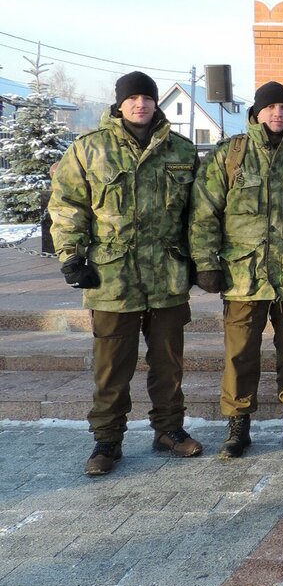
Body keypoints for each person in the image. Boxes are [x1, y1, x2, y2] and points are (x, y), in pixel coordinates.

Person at [49, 71, 203, 476]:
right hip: (112, 279)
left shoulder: (181, 151)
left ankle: (169, 430)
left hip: (167, 277)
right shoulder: (90, 150)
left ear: (156, 103)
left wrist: (202, 261)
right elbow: (67, 205)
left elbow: (198, 216)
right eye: (132, 98)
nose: (140, 104)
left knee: (168, 362)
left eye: (147, 98)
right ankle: (107, 441)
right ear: (119, 104)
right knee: (112, 365)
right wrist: (71, 257)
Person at [190, 81, 283, 459]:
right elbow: (204, 211)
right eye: (271, 107)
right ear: (256, 113)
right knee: (240, 353)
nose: (278, 114)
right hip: (245, 277)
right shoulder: (231, 155)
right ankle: (238, 424)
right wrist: (206, 264)